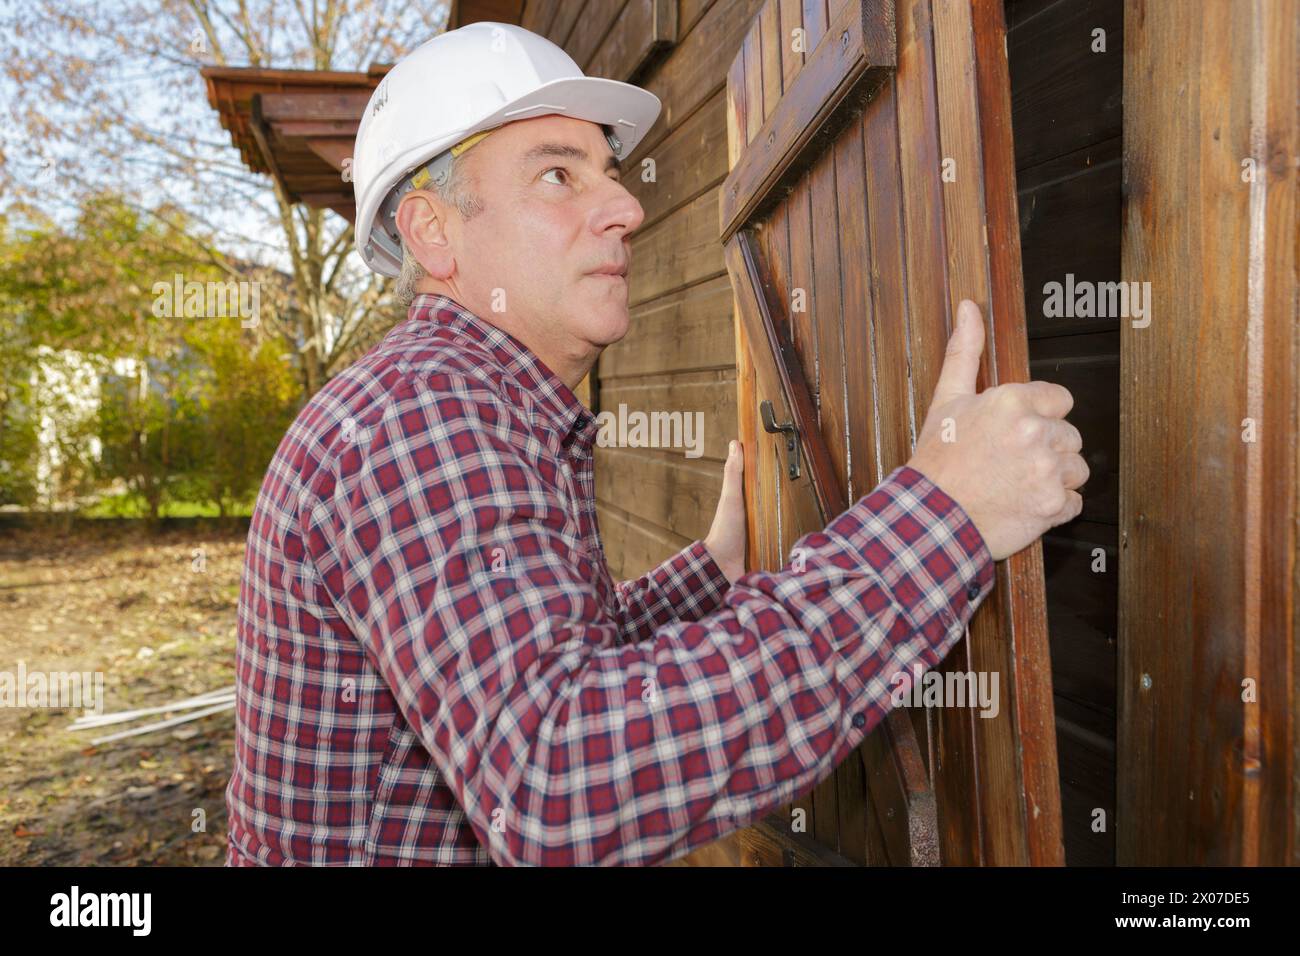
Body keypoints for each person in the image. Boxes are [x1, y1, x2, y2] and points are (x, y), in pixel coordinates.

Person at [225, 21, 1088, 866]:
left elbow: (540, 654)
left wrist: (710, 572)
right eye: (558, 175)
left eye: (607, 171)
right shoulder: (422, 417)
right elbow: (557, 781)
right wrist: (946, 519)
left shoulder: (464, 401)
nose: (628, 208)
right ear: (433, 233)